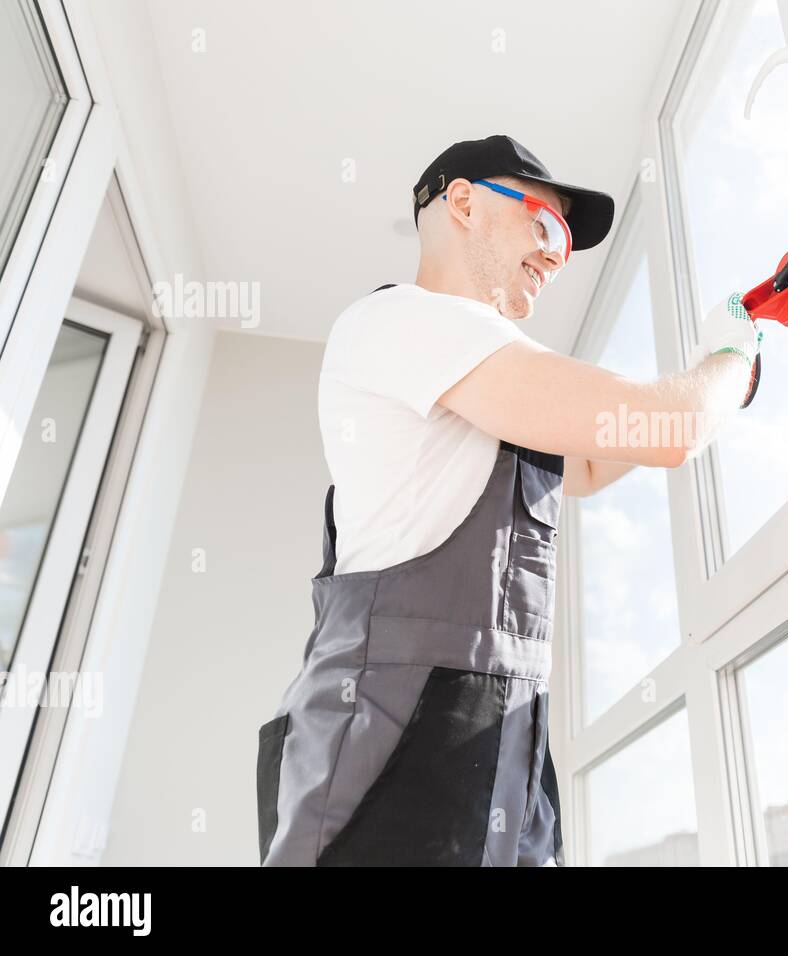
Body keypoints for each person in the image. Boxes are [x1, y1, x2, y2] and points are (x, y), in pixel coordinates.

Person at [255, 134, 759, 866]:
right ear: (462, 202)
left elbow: (586, 463)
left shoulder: (477, 391)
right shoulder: (398, 323)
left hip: (497, 751)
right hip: (389, 760)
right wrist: (731, 359)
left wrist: (713, 390)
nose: (558, 257)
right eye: (547, 227)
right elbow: (667, 427)